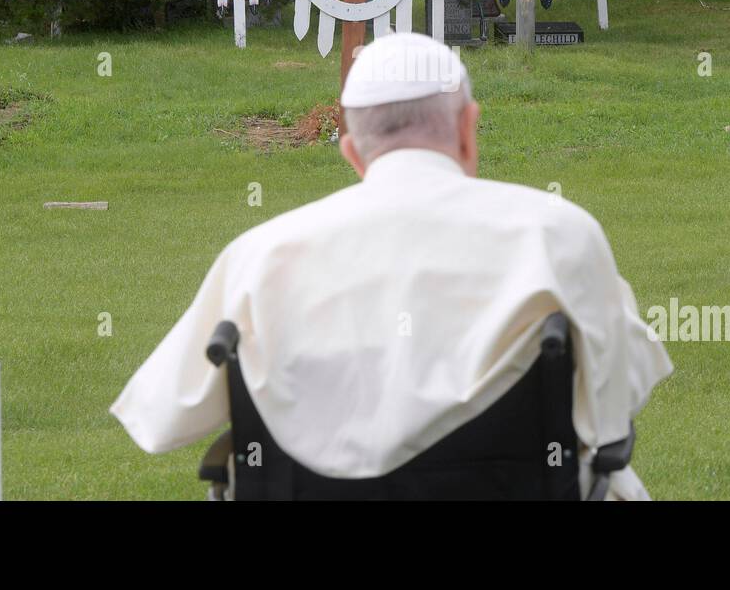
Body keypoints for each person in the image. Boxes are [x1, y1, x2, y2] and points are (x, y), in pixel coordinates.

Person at [111, 32, 672, 499]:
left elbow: (166, 419)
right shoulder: (559, 234)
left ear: (351, 153)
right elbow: (615, 402)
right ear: (468, 129)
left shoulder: (259, 256)